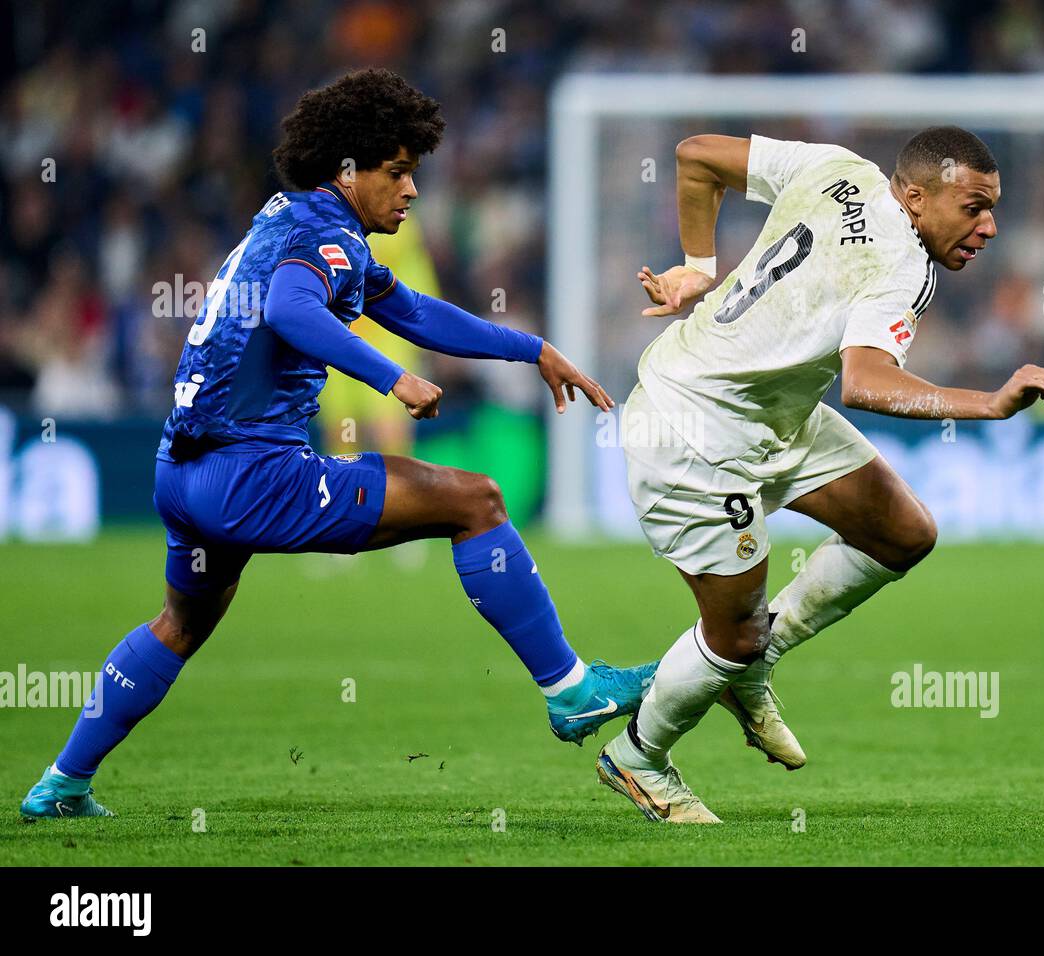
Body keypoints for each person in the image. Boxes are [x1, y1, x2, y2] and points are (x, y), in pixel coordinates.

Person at [21, 69, 655, 819]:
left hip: (182, 471)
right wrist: (394, 381)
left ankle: (61, 783)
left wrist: (531, 348)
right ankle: (572, 691)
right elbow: (291, 309)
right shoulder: (322, 235)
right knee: (476, 500)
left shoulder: (295, 220)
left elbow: (412, 311)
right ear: (347, 171)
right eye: (397, 172)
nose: (412, 190)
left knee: (181, 623)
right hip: (252, 472)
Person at [598, 127, 1044, 823]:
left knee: (901, 532)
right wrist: (989, 404)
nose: (989, 226)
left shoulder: (834, 167)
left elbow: (696, 156)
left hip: (771, 411)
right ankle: (639, 757)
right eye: (972, 208)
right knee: (733, 635)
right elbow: (867, 383)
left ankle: (751, 668)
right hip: (693, 427)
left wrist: (698, 262)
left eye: (992, 208)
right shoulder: (902, 267)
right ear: (915, 196)